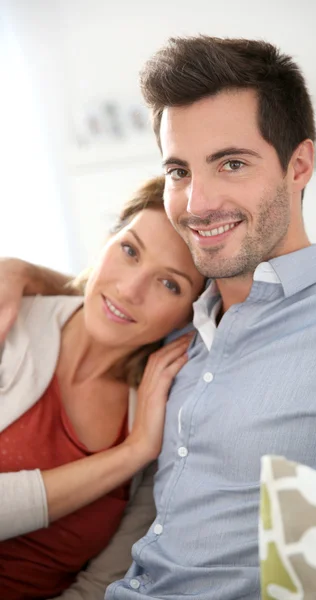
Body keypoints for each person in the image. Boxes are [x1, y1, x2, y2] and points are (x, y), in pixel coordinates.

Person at [2, 36, 316, 600]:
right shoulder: (180, 328)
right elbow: (112, 293)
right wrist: (23, 272)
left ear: (300, 165)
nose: (197, 202)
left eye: (231, 163)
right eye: (179, 171)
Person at [0, 174, 204, 600]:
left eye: (169, 284)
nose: (129, 291)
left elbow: (104, 584)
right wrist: (130, 454)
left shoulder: (160, 414)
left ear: (189, 315)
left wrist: (145, 450)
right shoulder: (8, 318)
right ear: (107, 240)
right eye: (130, 250)